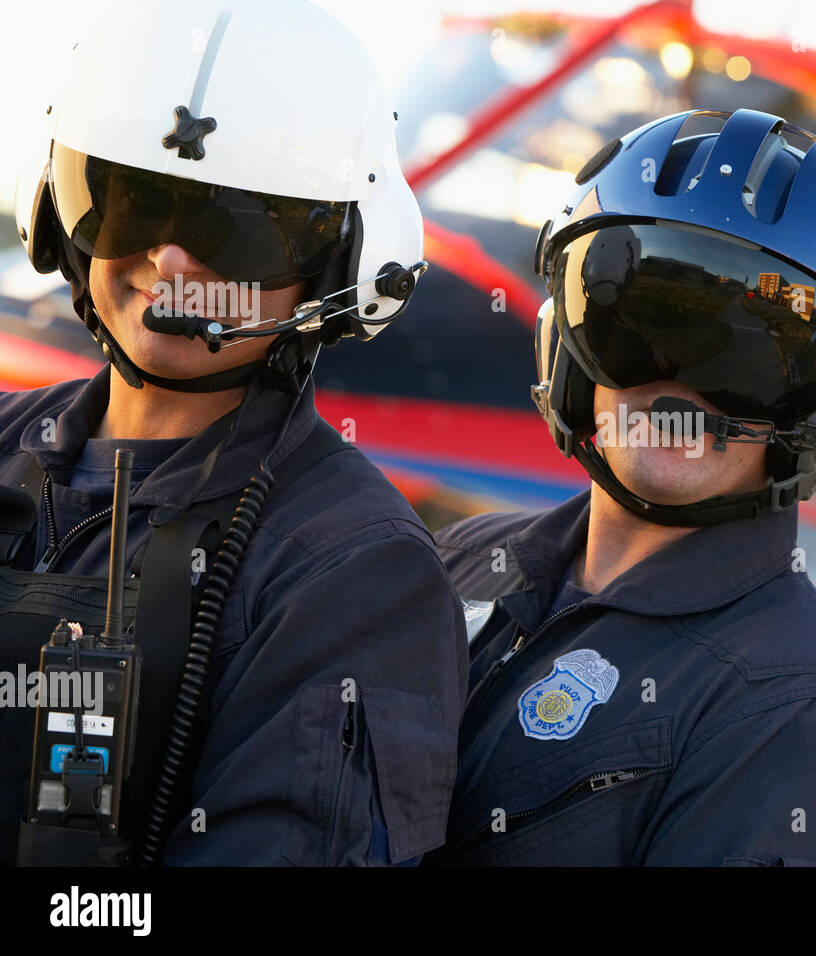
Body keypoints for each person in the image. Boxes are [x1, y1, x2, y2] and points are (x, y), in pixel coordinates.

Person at [0, 0, 466, 865]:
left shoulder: (356, 571)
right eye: (129, 202)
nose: (171, 262)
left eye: (236, 225)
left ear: (342, 265)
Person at [425, 108, 816, 866]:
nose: (678, 388)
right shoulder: (456, 561)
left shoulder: (794, 715)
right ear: (567, 340)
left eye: (748, 360)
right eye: (637, 323)